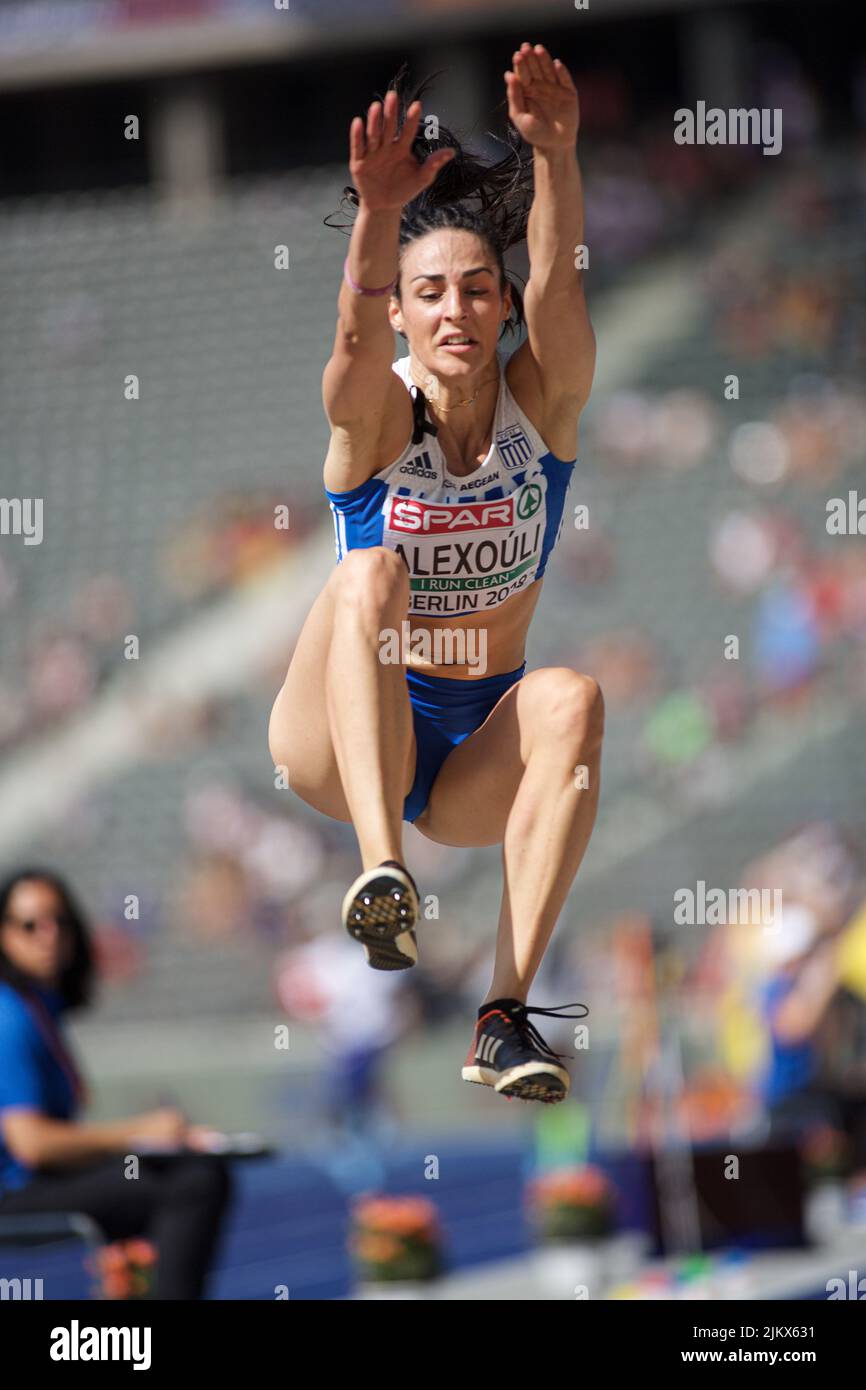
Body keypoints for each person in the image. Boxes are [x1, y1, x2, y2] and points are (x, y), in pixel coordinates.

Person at [269, 44, 600, 1104]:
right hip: (344, 726)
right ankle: (383, 875)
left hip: (468, 752)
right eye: (429, 296)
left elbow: (557, 283)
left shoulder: (538, 410)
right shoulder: (377, 413)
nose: (454, 311)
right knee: (367, 580)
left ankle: (502, 1014)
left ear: (500, 309)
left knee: (573, 698)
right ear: (403, 315)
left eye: (474, 290)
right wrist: (374, 218)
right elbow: (347, 345)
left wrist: (554, 156)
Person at [0, 868, 233, 1299]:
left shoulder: (38, 1008)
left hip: (37, 1182)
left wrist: (163, 1143)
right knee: (193, 1183)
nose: (48, 935)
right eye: (30, 925)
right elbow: (31, 1144)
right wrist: (138, 1133)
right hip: (14, 1193)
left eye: (60, 922)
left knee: (186, 1170)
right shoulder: (8, 1016)